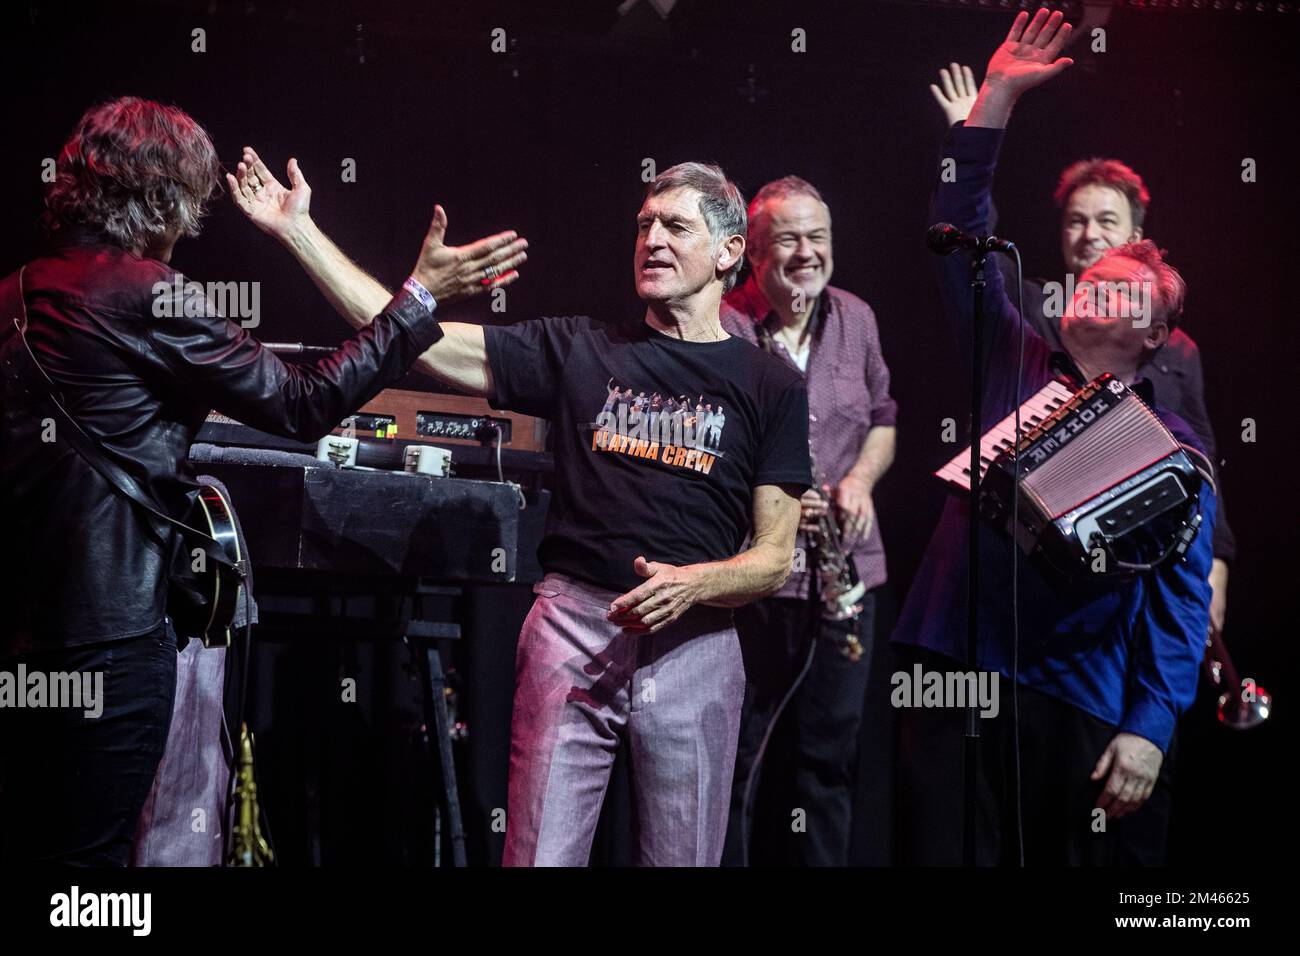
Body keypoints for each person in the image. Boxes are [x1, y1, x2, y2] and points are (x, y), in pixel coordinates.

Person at [229, 151, 814, 866]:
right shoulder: (581, 349)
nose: (652, 240)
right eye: (644, 225)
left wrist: (694, 583)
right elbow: (420, 343)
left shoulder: (770, 384)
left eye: (675, 227)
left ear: (728, 253)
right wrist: (299, 233)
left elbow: (775, 558)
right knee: (537, 854)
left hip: (696, 641)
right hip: (574, 626)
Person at [0, 97, 525, 865]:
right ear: (159, 200)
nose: (188, 229)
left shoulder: (12, 295)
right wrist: (417, 301)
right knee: (97, 869)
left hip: (19, 644)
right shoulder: (154, 294)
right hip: (109, 644)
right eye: (188, 206)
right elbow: (302, 401)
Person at [893, 9, 1215, 866]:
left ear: (1155, 335)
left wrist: (1149, 728)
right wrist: (995, 98)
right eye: (1088, 276)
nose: (1094, 282)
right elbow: (957, 227)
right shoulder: (1012, 356)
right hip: (952, 664)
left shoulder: (1175, 446)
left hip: (1076, 693)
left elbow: (1181, 610)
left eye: (1122, 285)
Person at [930, 59, 1234, 637]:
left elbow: (1203, 470)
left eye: (1105, 222)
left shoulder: (1177, 362)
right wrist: (976, 126)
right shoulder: (1027, 311)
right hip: (984, 601)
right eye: (1075, 222)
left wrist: (1215, 557)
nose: (1089, 235)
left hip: (1098, 619)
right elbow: (970, 243)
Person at [719, 176, 897, 866]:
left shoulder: (858, 317)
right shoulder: (725, 324)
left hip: (844, 578)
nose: (806, 253)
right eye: (788, 238)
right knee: (737, 757)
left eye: (817, 237)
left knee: (827, 761)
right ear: (752, 251)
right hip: (752, 580)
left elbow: (884, 418)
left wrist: (859, 480)